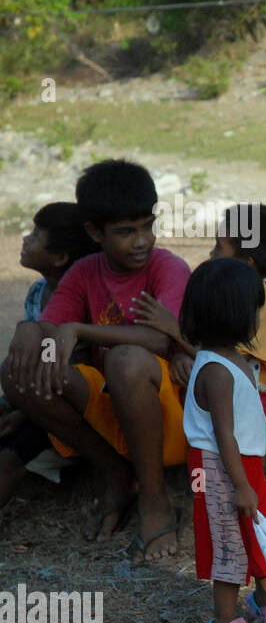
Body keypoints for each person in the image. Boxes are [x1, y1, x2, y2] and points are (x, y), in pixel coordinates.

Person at [0, 160, 190, 558]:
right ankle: (114, 472)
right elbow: (51, 331)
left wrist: (82, 330)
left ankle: (154, 498)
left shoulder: (167, 268)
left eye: (146, 226)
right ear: (94, 232)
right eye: (125, 232)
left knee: (126, 360)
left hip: (167, 417)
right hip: (111, 413)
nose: (141, 241)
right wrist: (28, 330)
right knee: (16, 375)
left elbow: (158, 339)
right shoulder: (85, 272)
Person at [132, 203, 266, 535]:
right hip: (248, 389)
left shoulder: (260, 304)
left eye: (219, 247)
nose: (211, 253)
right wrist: (184, 357)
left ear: (246, 264)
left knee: (226, 428)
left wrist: (174, 331)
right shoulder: (231, 297)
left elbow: (231, 361)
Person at [181, 257, 266, 623]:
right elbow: (224, 436)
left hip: (244, 465)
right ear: (237, 315)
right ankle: (223, 621)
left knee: (263, 532)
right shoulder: (215, 371)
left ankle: (264, 601)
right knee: (228, 538)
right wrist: (240, 485)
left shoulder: (233, 358)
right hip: (221, 468)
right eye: (255, 310)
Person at [0, 203, 99, 511]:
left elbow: (58, 371)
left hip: (63, 412)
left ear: (59, 257)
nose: (25, 239)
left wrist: (27, 412)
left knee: (8, 461)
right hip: (32, 400)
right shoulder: (37, 292)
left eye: (36, 234)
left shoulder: (83, 303)